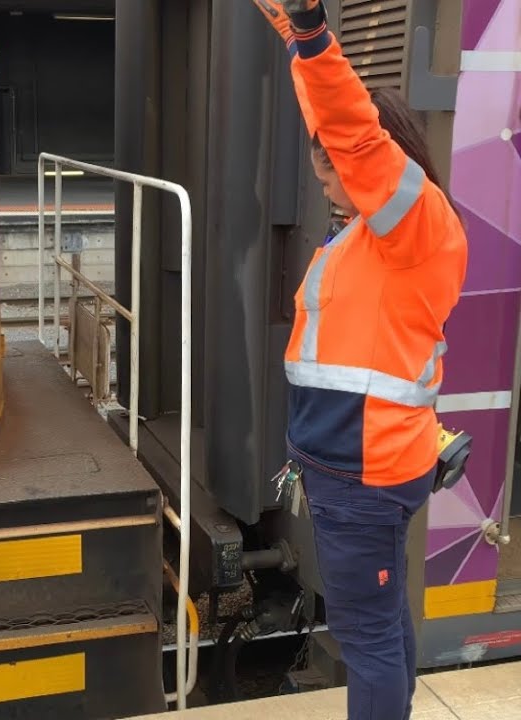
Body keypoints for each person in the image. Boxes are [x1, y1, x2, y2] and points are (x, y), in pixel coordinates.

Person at [252, 2, 468, 719]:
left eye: (329, 168)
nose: (323, 181)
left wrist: (314, 33)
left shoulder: (412, 223)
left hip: (363, 471)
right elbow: (337, 120)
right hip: (365, 463)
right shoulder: (380, 231)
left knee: (366, 636)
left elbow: (351, 126)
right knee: (383, 620)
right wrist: (297, 43)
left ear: (363, 162)